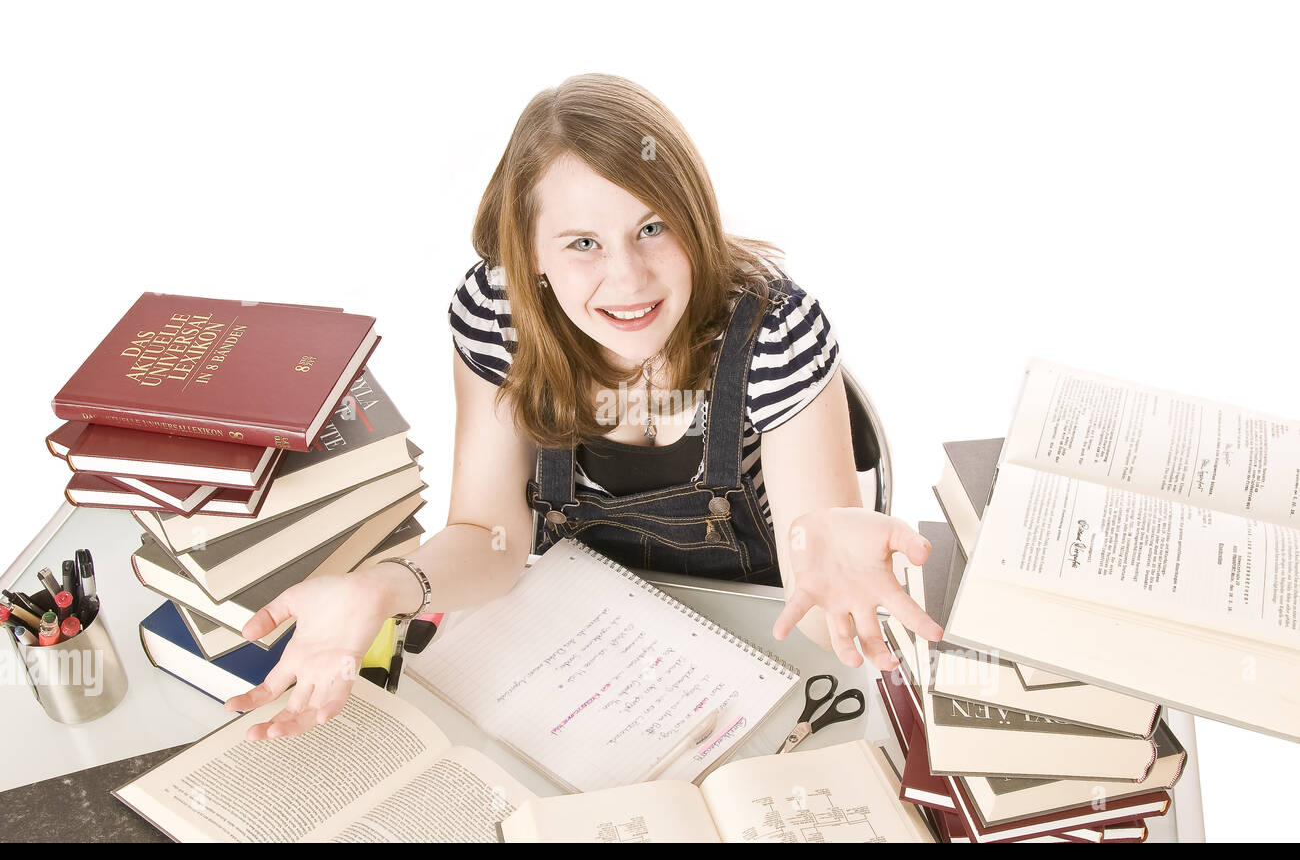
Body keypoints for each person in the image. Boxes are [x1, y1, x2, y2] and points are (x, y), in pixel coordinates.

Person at [225, 73, 942, 741]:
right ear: (528, 253)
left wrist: (843, 582)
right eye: (583, 244)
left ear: (696, 218)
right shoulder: (497, 314)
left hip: (757, 660)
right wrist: (380, 589)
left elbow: (811, 596)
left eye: (653, 228)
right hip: (585, 661)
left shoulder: (775, 332)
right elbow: (488, 538)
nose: (627, 278)